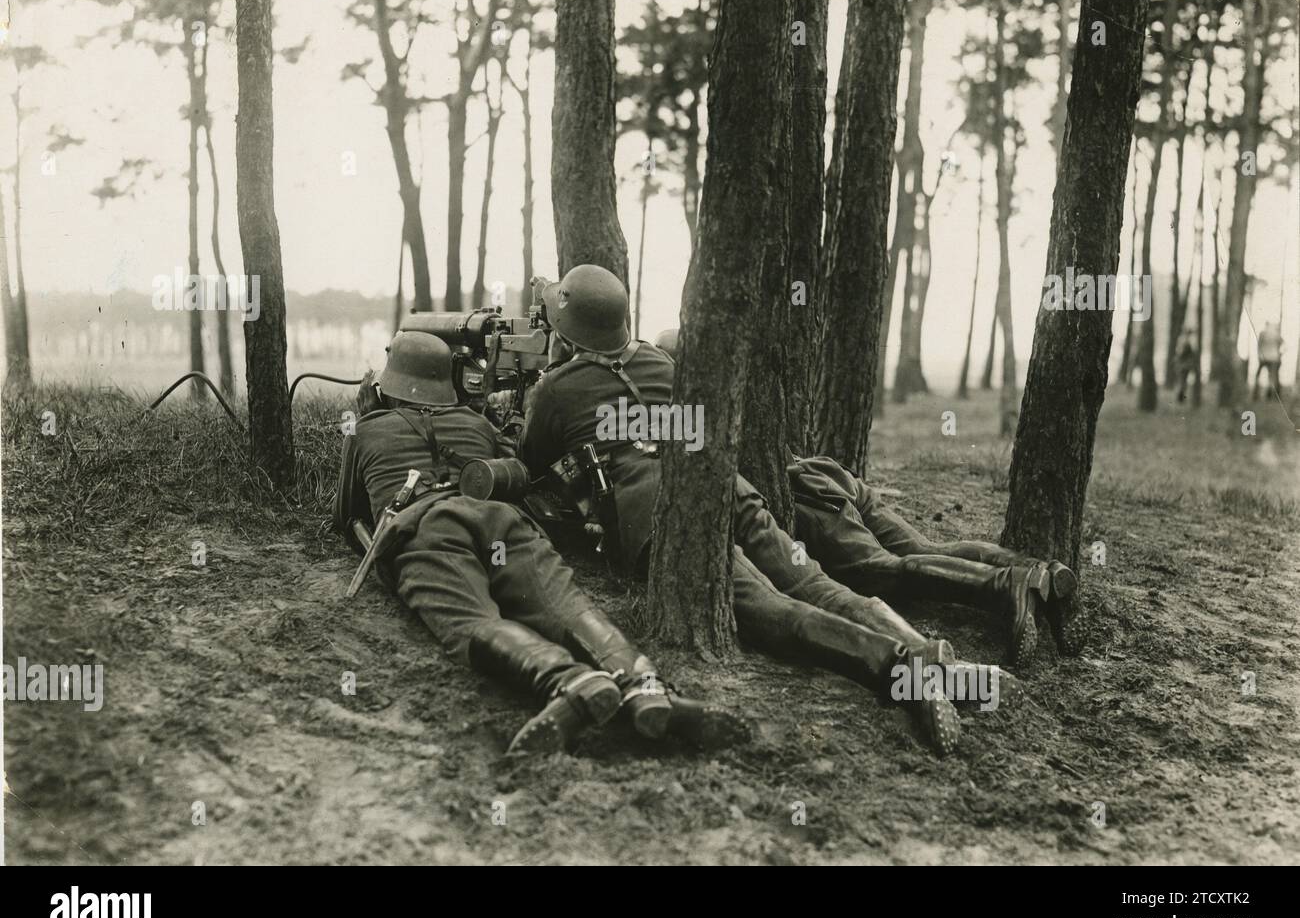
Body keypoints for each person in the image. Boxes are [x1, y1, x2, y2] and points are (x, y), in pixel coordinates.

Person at [520, 265, 1025, 757]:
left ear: (567, 330)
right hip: (727, 490)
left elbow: (530, 463)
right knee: (816, 584)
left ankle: (905, 671)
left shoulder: (557, 389)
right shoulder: (660, 361)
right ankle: (933, 658)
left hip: (663, 517)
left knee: (773, 612)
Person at [334, 329, 747, 755]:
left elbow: (345, 517)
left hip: (426, 528)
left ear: (391, 384)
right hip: (499, 515)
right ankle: (644, 684)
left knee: (474, 621)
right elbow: (521, 469)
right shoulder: (475, 423)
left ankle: (568, 681)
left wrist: (367, 422)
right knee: (566, 605)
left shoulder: (365, 431)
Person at [653, 328, 1075, 662]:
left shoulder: (696, 406)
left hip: (810, 499)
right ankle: (1037, 571)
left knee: (885, 569)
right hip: (828, 476)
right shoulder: (735, 384)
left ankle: (1007, 586)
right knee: (927, 547)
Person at [1254, 321, 1284, 401]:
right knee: (1273, 377)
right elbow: (1284, 344)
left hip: (1265, 358)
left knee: (1261, 376)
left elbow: (1259, 345)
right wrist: (1280, 354)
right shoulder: (1275, 334)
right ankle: (1271, 396)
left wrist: (1259, 355)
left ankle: (1257, 395)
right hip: (1273, 358)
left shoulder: (1263, 334)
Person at [1174, 327, 1198, 404]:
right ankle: (1180, 399)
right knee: (1182, 382)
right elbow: (1182, 354)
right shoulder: (1186, 342)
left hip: (1182, 365)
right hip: (1184, 365)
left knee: (1182, 382)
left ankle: (1181, 398)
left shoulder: (1181, 341)